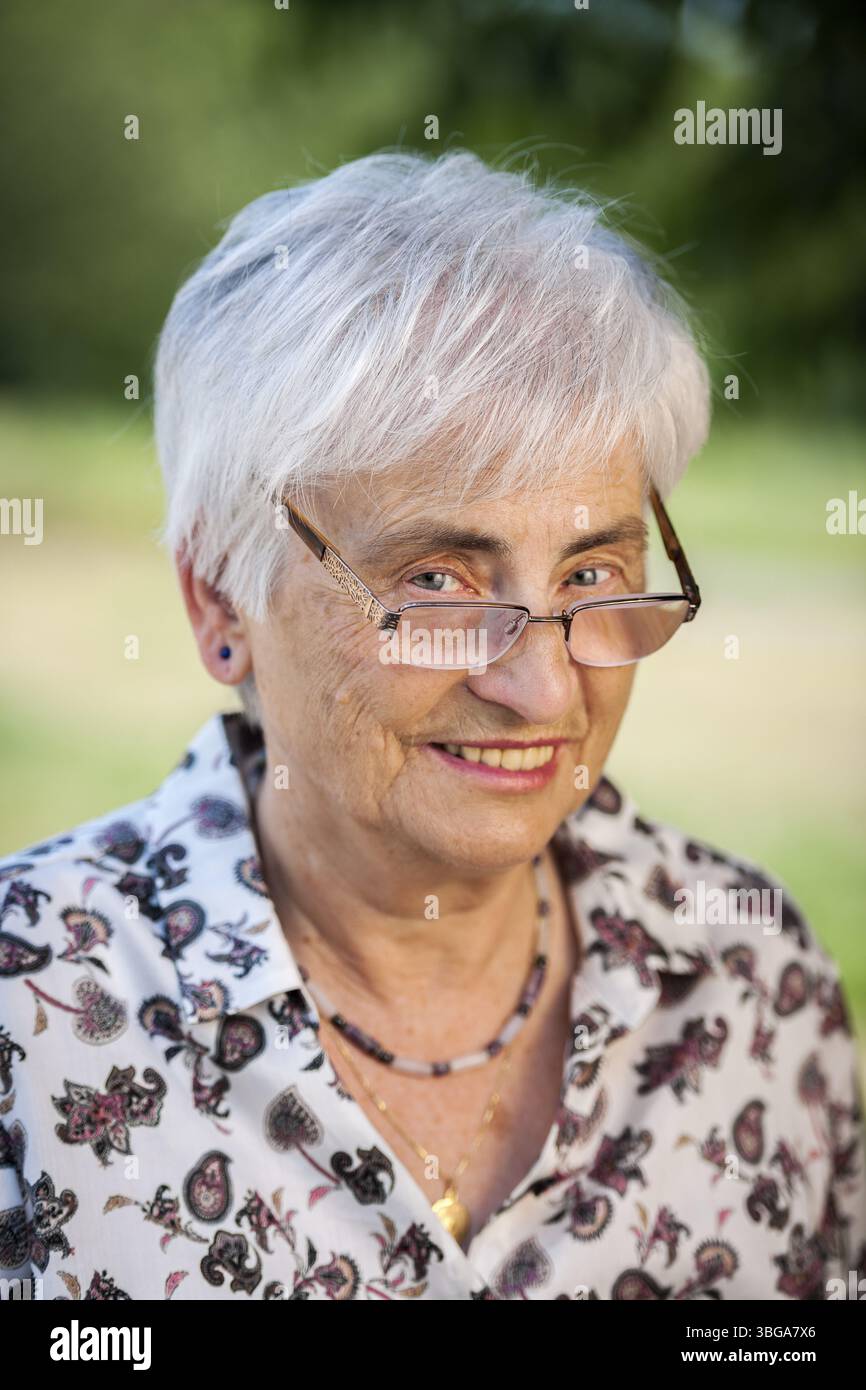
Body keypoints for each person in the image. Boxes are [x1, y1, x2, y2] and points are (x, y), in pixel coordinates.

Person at [1, 152, 863, 1302]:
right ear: (216, 594)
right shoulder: (33, 1009)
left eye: (595, 569)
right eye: (440, 584)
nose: (546, 693)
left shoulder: (753, 981)